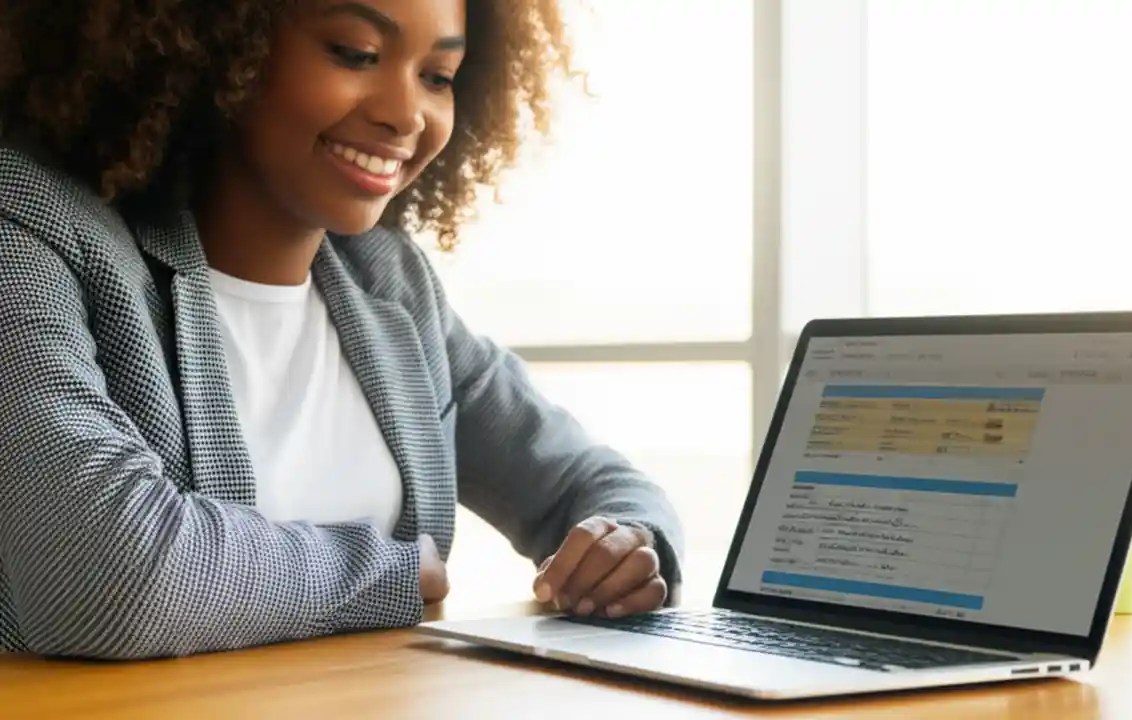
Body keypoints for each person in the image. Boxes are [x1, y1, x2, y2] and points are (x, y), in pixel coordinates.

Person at [0, 0, 683, 660]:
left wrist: (627, 546)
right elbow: (102, 578)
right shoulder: (36, 233)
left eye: (437, 77)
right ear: (222, 42)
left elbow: (585, 482)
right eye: (356, 54)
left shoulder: (387, 282)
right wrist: (390, 575)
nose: (404, 113)